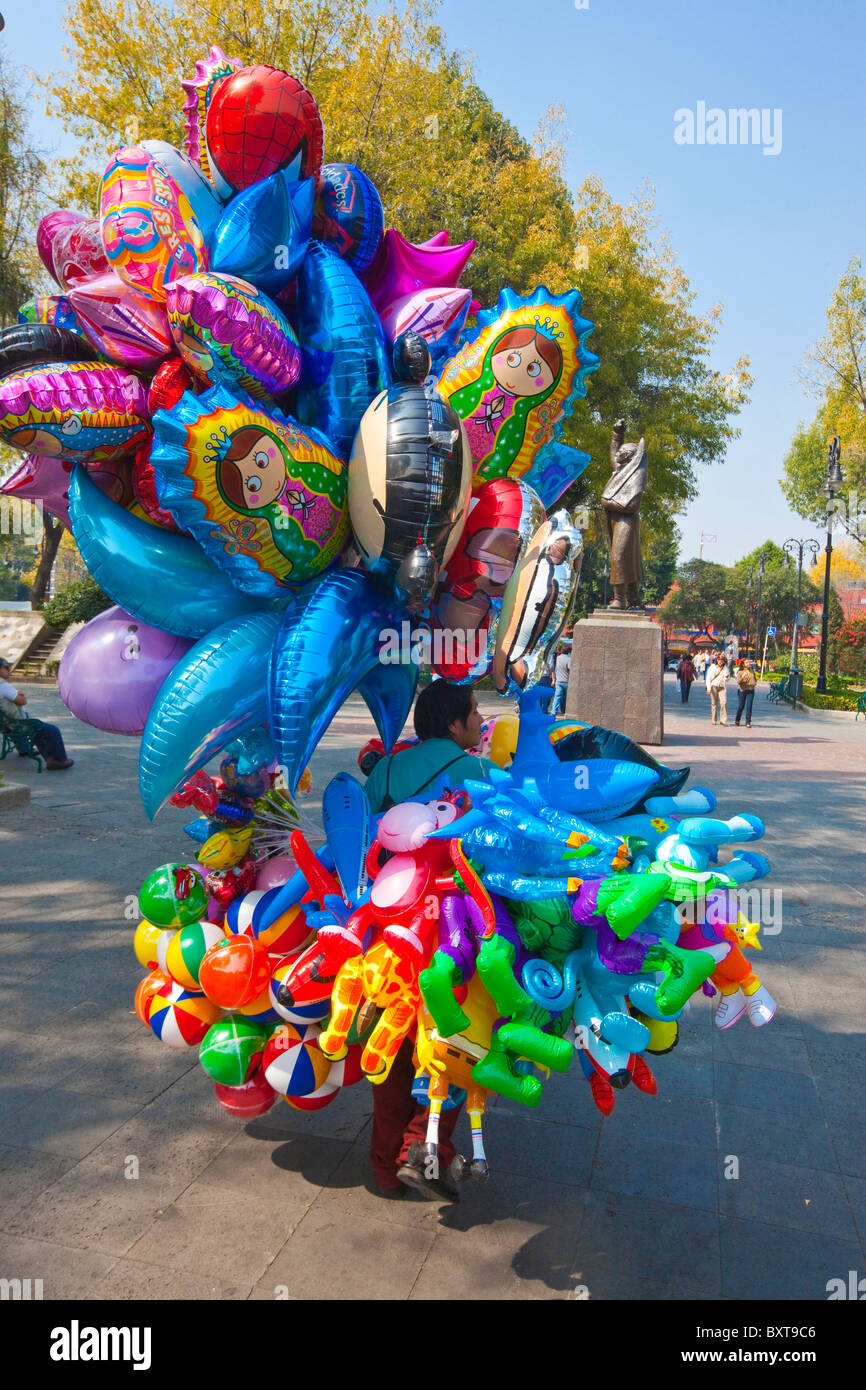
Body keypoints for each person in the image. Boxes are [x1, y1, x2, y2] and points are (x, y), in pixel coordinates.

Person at [364, 680, 495, 1203]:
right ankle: (424, 1145)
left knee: (393, 1042)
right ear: (454, 723)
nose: (480, 719)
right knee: (454, 1039)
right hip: (452, 932)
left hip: (387, 927)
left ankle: (384, 1166)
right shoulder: (478, 774)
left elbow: (366, 841)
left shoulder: (388, 771)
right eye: (474, 711)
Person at [0, 658, 74, 769]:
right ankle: (58, 760)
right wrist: (20, 695)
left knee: (37, 728)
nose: (9, 670)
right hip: (16, 724)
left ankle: (40, 755)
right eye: (6, 668)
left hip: (7, 724)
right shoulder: (2, 686)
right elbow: (23, 701)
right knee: (52, 730)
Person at [706, 653, 729, 726]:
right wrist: (708, 688)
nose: (720, 662)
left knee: (724, 702)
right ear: (716, 660)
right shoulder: (712, 668)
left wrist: (727, 677)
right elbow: (708, 679)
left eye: (722, 661)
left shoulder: (726, 668)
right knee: (714, 703)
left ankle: (723, 720)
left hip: (722, 687)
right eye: (719, 660)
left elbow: (728, 679)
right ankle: (714, 719)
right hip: (714, 686)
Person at [735, 659, 757, 727]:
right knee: (741, 706)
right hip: (742, 690)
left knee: (749, 706)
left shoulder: (752, 671)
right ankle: (737, 719)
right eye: (747, 662)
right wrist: (743, 677)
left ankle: (748, 722)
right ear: (743, 664)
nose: (749, 663)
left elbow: (755, 679)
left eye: (749, 662)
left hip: (751, 690)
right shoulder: (740, 672)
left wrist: (755, 683)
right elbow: (738, 681)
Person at [551, 646, 571, 715]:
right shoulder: (568, 659)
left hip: (558, 680)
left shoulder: (558, 658)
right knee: (565, 697)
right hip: (566, 681)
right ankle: (563, 710)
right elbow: (569, 668)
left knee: (557, 696)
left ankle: (554, 711)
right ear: (568, 651)